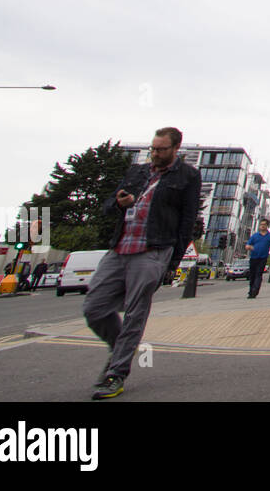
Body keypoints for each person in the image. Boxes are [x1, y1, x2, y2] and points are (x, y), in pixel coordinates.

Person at [83, 126, 200, 400]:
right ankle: (120, 347)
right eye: (153, 148)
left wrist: (173, 262)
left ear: (175, 149)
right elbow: (109, 205)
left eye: (161, 149)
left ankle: (116, 374)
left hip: (153, 250)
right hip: (120, 247)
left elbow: (187, 220)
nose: (155, 153)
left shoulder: (188, 176)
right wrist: (120, 204)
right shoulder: (137, 172)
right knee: (94, 308)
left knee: (136, 312)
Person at [245, 219, 270, 298]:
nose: (262, 226)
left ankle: (255, 291)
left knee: (258, 274)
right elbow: (247, 245)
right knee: (252, 275)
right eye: (261, 224)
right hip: (253, 258)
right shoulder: (255, 236)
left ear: (267, 226)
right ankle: (251, 290)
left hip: (263, 258)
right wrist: (250, 247)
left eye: (264, 224)